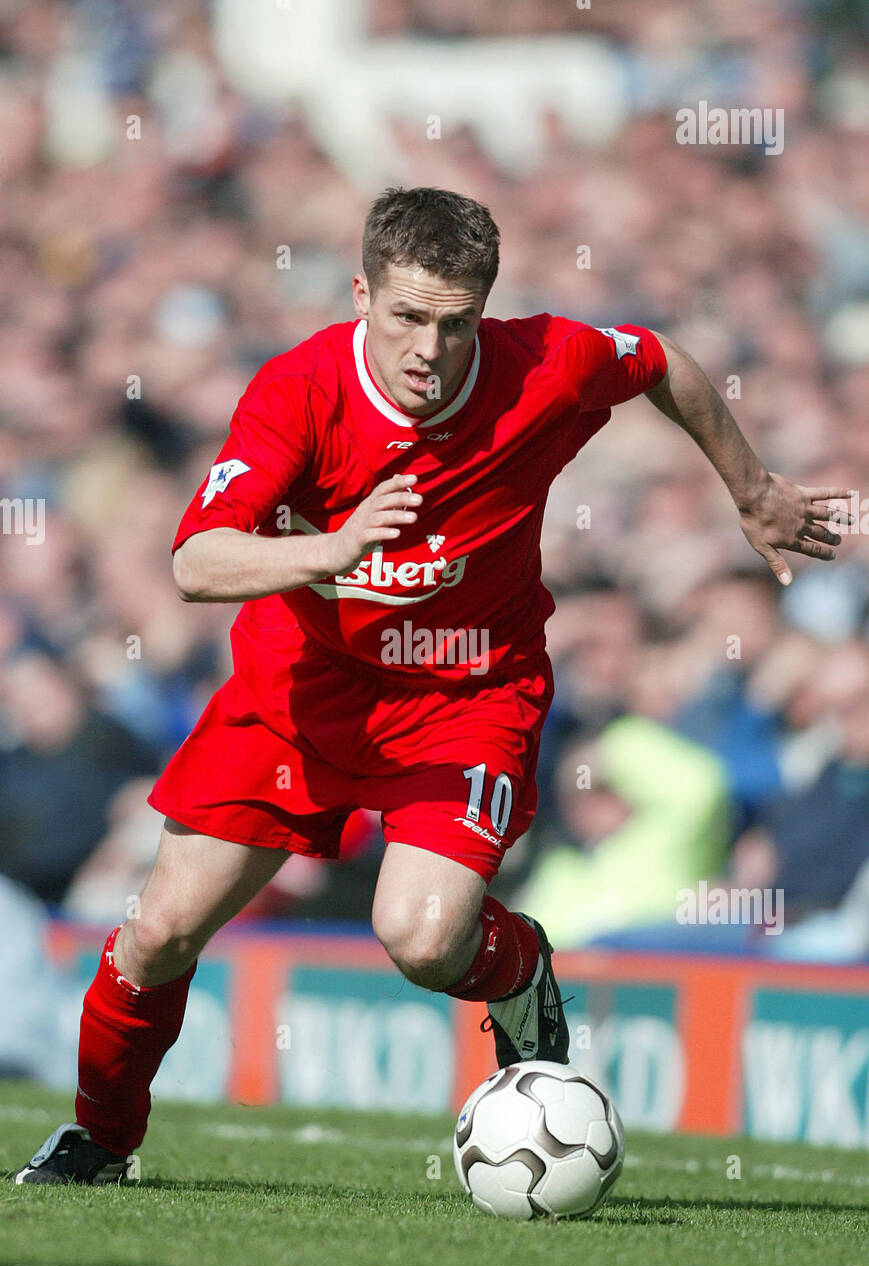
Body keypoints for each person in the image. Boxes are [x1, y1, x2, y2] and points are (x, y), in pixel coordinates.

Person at [12, 186, 849, 1185]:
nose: (427, 348)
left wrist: (751, 491)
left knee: (420, 935)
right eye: (404, 316)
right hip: (297, 693)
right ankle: (103, 1138)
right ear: (361, 290)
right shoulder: (298, 390)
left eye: (454, 325)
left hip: (464, 698)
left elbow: (660, 361)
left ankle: (519, 968)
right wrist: (332, 546)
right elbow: (197, 561)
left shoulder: (544, 364)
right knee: (155, 934)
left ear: (482, 316)